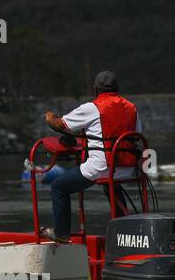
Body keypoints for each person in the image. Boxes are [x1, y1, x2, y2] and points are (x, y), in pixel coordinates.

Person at [41, 70, 142, 242]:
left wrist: (50, 119)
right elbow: (137, 133)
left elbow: (61, 125)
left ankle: (61, 234)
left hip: (102, 168)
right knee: (112, 186)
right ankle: (125, 231)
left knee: (58, 186)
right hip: (127, 170)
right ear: (117, 88)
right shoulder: (131, 108)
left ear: (96, 89)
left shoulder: (92, 107)